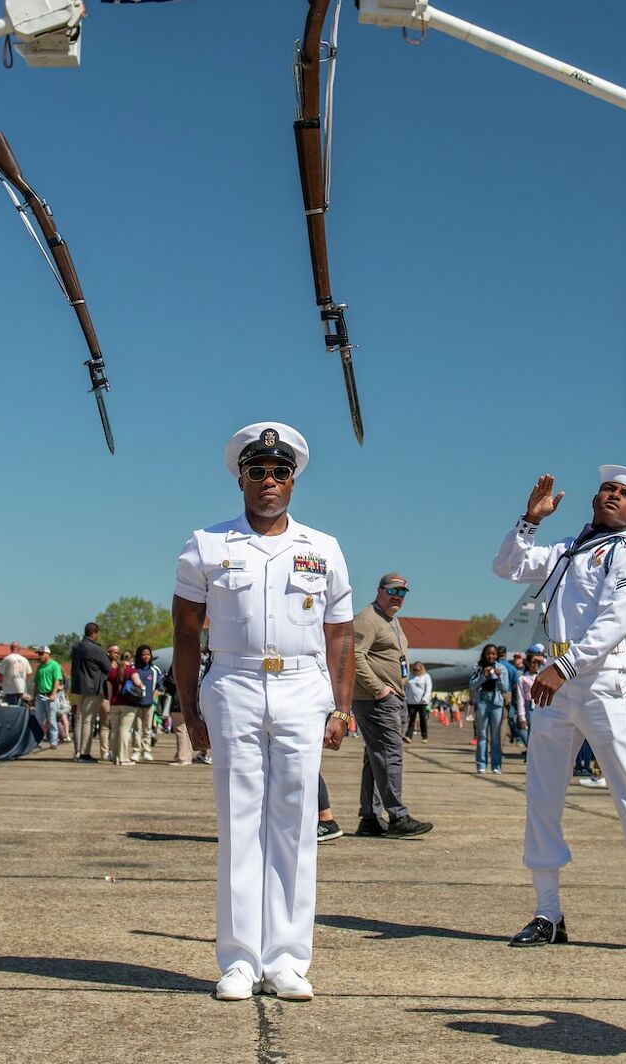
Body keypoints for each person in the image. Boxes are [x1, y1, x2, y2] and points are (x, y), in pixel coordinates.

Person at [173, 422, 354, 1002]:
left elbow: (341, 634)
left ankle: (287, 959)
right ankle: (239, 960)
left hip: (304, 686)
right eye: (258, 472)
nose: (269, 482)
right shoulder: (205, 544)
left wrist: (341, 707)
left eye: (280, 473)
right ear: (241, 479)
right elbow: (183, 634)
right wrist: (188, 708)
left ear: (294, 483)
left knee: (296, 823)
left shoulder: (322, 548)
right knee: (239, 820)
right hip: (233, 683)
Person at [494, 466, 626, 955]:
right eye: (608, 488)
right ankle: (548, 912)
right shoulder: (569, 547)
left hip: (598, 678)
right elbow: (508, 567)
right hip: (559, 679)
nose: (613, 496)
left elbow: (613, 622)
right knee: (541, 795)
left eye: (625, 494)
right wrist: (529, 520)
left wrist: (562, 667)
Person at [350, 572, 431, 839]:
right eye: (392, 590)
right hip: (376, 700)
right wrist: (379, 689)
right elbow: (355, 656)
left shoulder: (391, 620)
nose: (397, 596)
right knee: (390, 756)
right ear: (379, 590)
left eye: (402, 592)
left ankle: (370, 818)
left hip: (393, 697)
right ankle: (398, 815)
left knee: (376, 759)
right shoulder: (367, 619)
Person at [70, 622, 109, 762]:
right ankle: (85, 754)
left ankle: (78, 752)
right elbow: (108, 667)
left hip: (77, 687)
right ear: (94, 633)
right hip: (92, 688)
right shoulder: (96, 649)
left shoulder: (75, 647)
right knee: (88, 721)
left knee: (79, 720)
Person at [469, 647, 506, 775]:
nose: (490, 656)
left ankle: (496, 765)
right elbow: (472, 685)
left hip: (496, 703)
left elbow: (505, 688)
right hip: (482, 702)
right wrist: (483, 677)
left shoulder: (501, 668)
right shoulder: (477, 667)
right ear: (484, 654)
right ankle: (481, 764)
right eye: (488, 654)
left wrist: (499, 676)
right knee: (482, 735)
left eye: (493, 654)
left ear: (497, 655)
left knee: (495, 736)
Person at [129, 645, 163, 762]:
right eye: (143, 654)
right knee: (136, 728)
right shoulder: (133, 668)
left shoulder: (155, 670)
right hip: (136, 704)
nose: (146, 657)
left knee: (147, 728)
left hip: (149, 704)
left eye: (148, 654)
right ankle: (136, 751)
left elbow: (159, 686)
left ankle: (146, 750)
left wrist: (154, 697)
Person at [32, 645, 65, 746]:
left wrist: (54, 694)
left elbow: (57, 680)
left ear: (47, 654)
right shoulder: (40, 667)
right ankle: (37, 740)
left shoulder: (54, 665)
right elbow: (36, 683)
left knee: (51, 719)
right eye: (38, 654)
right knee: (39, 719)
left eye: (41, 654)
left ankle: (53, 741)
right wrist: (34, 696)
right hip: (40, 696)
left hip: (50, 695)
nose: (39, 656)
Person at [403, 661, 433, 740]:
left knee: (422, 719)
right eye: (414, 669)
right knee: (411, 719)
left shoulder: (426, 676)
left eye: (417, 670)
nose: (416, 671)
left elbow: (428, 688)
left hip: (421, 702)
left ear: (421, 669)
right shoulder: (410, 676)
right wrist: (406, 698)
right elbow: (406, 688)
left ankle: (424, 736)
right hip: (411, 702)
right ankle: (408, 736)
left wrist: (425, 698)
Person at [0, 642, 33, 707]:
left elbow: (0, 673)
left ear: (10, 648)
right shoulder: (24, 659)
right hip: (22, 689)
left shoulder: (7, 659)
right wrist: (22, 680)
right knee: (21, 710)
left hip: (10, 690)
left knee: (13, 710)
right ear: (19, 649)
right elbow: (30, 673)